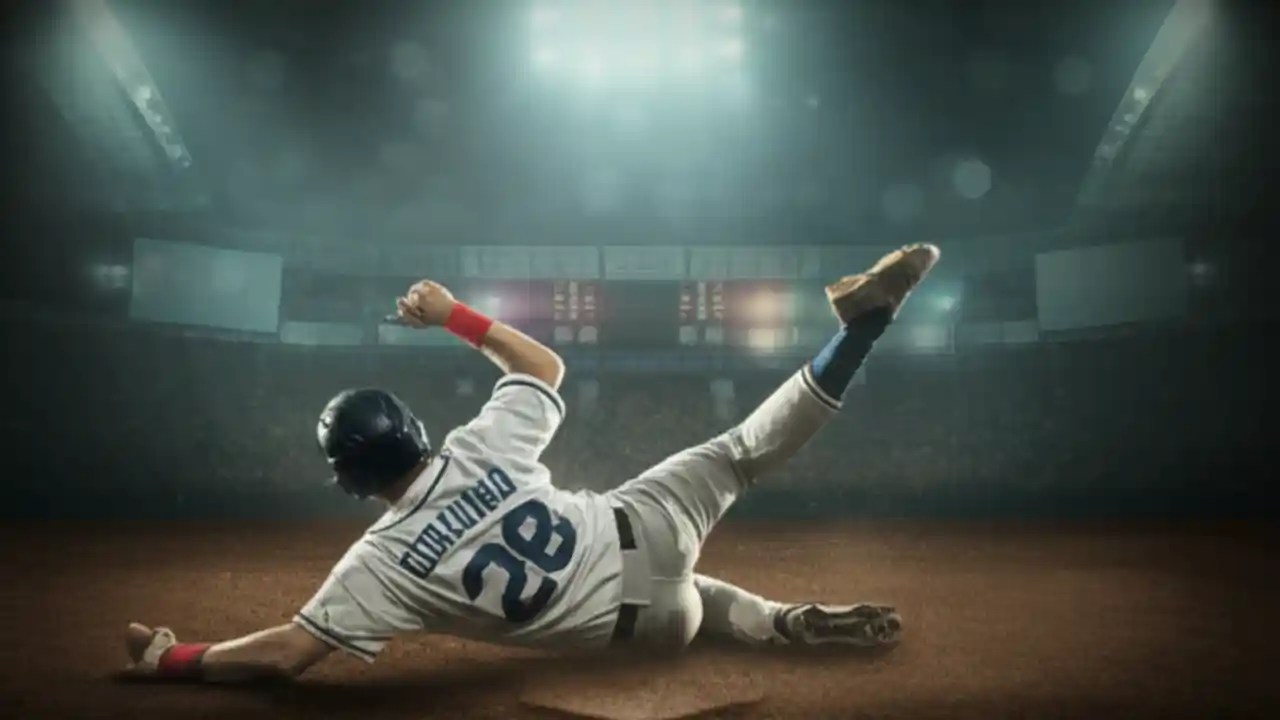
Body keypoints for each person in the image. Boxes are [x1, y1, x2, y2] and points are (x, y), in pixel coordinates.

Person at [123, 244, 940, 682]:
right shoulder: (478, 447)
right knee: (738, 454)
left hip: (648, 634)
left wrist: (174, 657)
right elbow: (543, 367)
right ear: (414, 429)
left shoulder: (376, 566)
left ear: (348, 479)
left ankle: (775, 621)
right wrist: (453, 316)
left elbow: (287, 654)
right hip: (647, 524)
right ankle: (860, 331)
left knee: (689, 599)